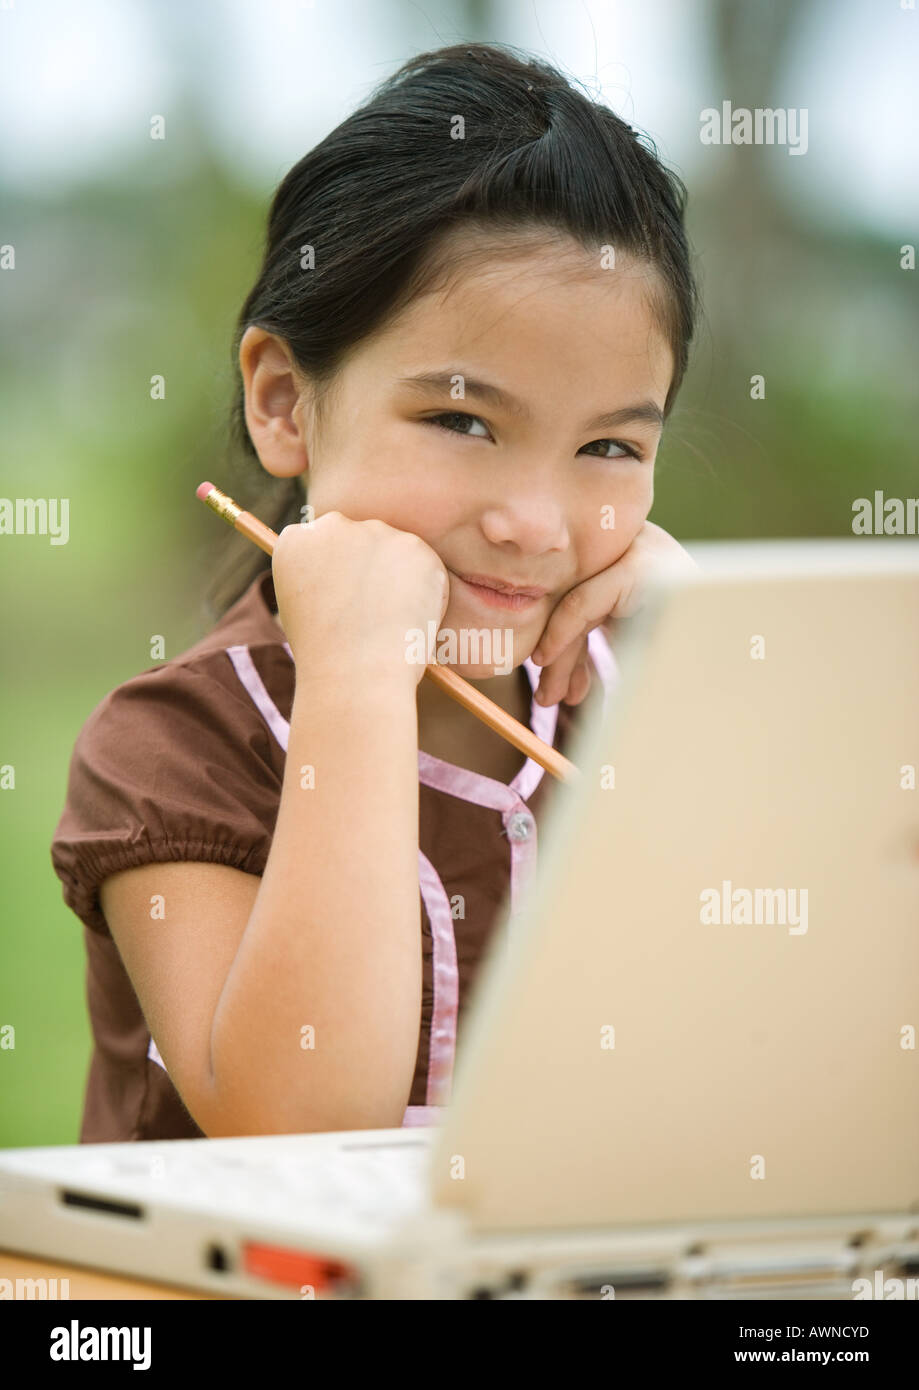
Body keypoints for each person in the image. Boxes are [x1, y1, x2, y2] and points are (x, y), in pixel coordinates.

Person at [50, 41, 700, 1143]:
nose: (533, 523)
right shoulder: (177, 749)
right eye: (461, 421)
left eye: (606, 447)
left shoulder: (631, 697)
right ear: (283, 406)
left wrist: (710, 686)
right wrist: (355, 680)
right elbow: (299, 1129)